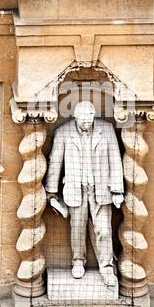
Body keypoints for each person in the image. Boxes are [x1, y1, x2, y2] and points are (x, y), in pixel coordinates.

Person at [45, 100, 125, 285]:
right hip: (75, 189)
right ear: (75, 117)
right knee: (77, 229)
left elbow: (115, 159)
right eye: (83, 118)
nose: (86, 122)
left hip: (101, 190)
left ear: (93, 116)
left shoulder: (106, 129)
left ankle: (107, 268)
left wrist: (117, 189)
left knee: (104, 230)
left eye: (89, 117)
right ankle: (78, 261)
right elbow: (55, 162)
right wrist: (51, 192)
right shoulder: (63, 132)